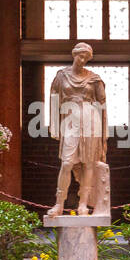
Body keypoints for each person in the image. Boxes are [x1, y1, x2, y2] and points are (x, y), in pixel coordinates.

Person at [46, 42, 108, 218]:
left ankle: (83, 205)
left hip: (90, 120)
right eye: (81, 56)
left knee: (89, 164)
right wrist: (55, 126)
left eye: (86, 58)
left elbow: (102, 104)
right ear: (74, 55)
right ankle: (59, 204)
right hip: (70, 120)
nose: (83, 60)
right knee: (66, 163)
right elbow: (54, 100)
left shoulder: (94, 78)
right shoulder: (61, 76)